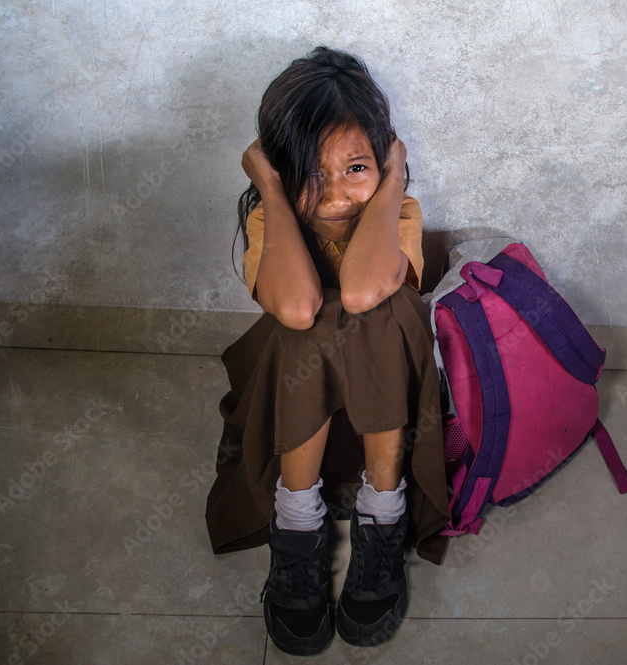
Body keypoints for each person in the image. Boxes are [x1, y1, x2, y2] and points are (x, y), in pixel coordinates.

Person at [204, 46, 449, 656]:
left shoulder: (401, 212)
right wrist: (271, 189)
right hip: (297, 409)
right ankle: (296, 529)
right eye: (310, 172)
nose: (337, 194)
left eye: (357, 167)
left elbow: (366, 289)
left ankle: (382, 518)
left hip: (384, 407)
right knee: (309, 322)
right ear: (283, 171)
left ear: (385, 160)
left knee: (378, 311)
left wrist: (394, 179)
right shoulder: (272, 219)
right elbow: (294, 308)